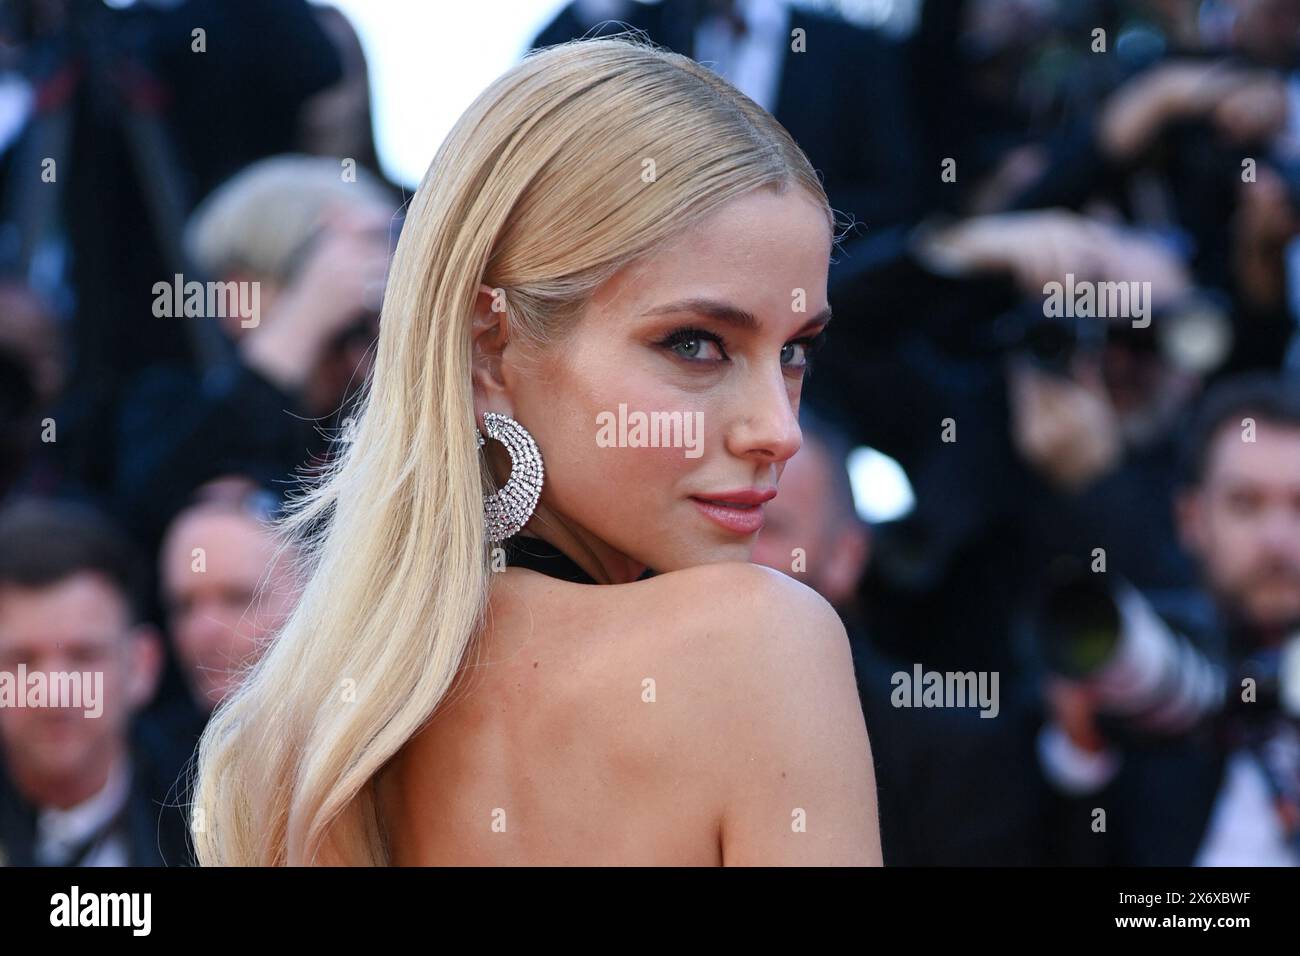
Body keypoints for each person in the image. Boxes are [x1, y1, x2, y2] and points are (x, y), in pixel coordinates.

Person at [192, 35, 881, 867]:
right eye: (695, 344)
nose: (778, 429)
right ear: (491, 347)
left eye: (795, 351)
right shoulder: (762, 642)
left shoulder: (302, 731)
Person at [0, 498, 189, 866]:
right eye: (22, 660)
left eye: (83, 656)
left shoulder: (210, 822)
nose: (53, 692)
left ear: (141, 666)